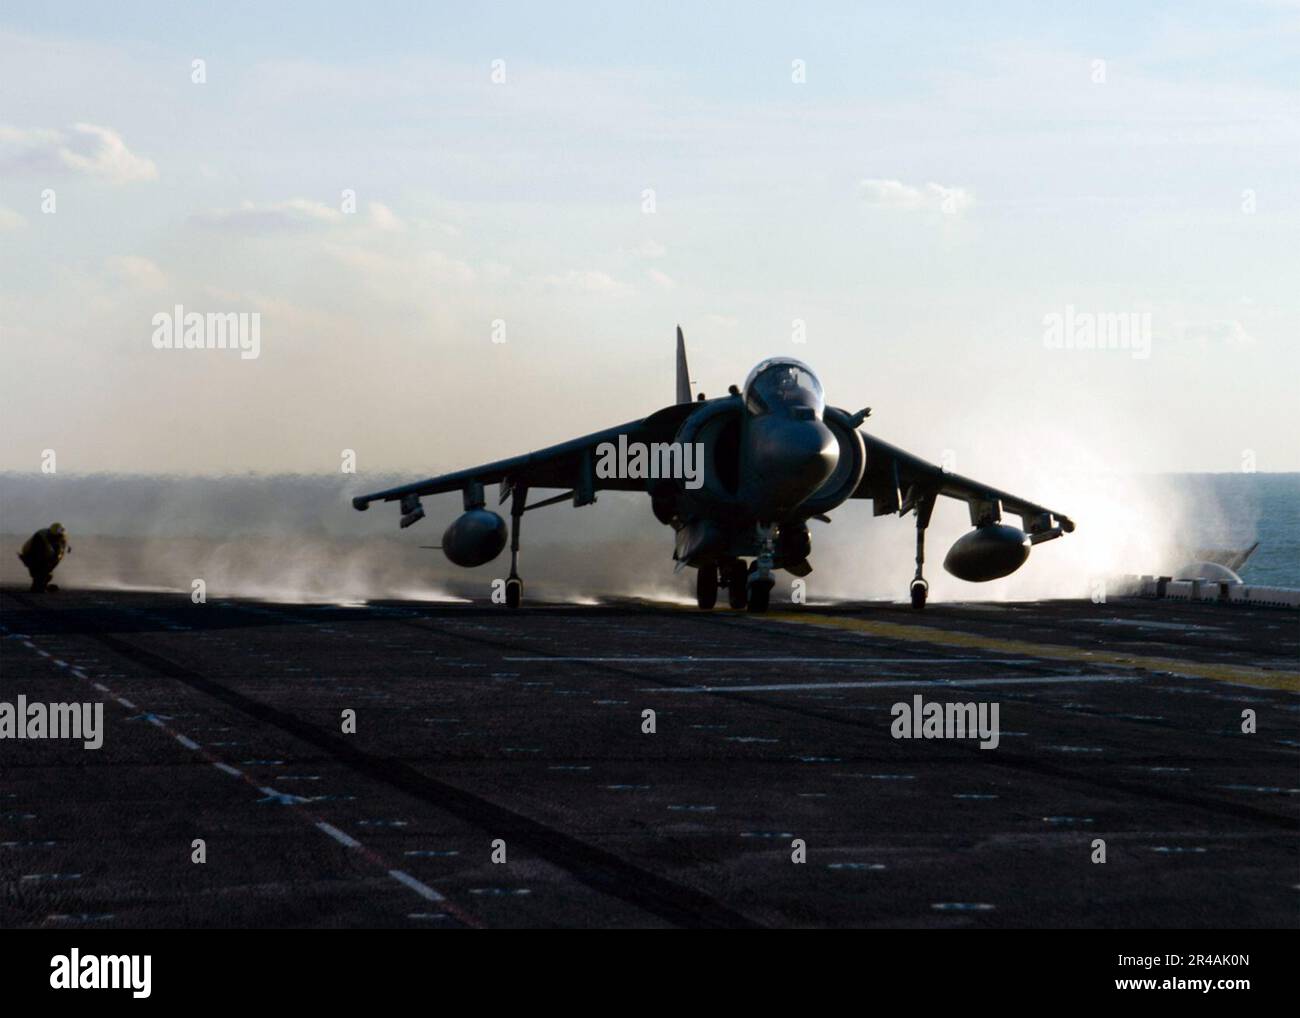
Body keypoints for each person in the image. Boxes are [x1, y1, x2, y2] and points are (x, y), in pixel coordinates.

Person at [18, 522, 70, 592]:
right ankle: (38, 585)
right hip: (30, 554)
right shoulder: (40, 537)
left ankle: (42, 585)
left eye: (58, 537)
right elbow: (37, 557)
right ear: (50, 534)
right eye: (53, 537)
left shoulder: (62, 539)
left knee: (48, 575)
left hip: (48, 557)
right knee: (38, 571)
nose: (55, 539)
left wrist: (50, 568)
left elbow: (59, 556)